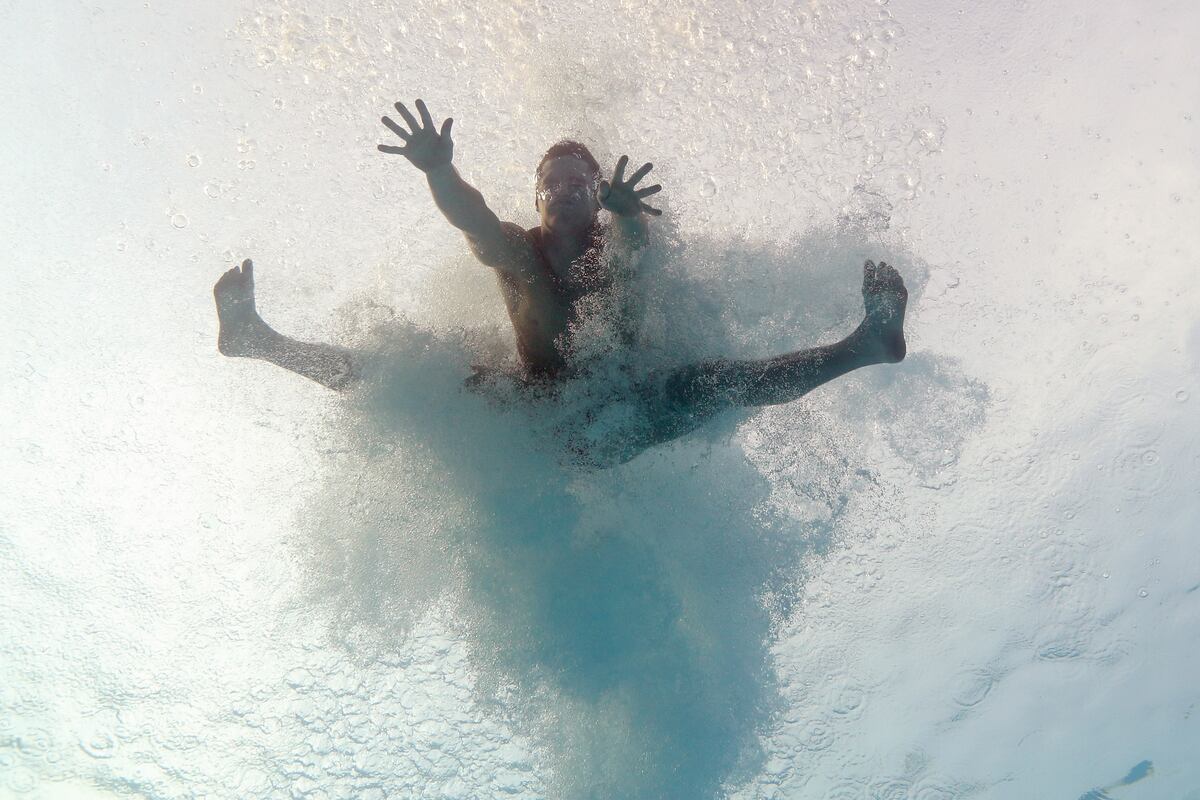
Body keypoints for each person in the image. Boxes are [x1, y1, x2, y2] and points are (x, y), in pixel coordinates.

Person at [214, 99, 907, 464]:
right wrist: (437, 171)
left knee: (711, 383)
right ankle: (257, 340)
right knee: (407, 377)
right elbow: (472, 218)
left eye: (583, 180)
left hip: (620, 409)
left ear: (599, 191)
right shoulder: (517, 250)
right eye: (555, 181)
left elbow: (638, 255)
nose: (569, 187)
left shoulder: (617, 240)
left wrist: (633, 218)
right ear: (539, 194)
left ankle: (869, 345)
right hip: (538, 421)